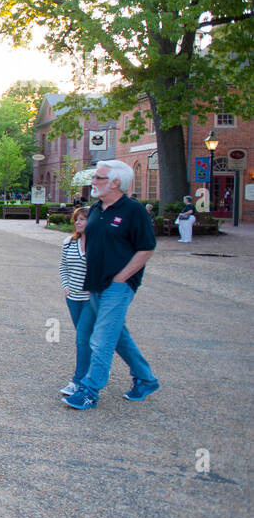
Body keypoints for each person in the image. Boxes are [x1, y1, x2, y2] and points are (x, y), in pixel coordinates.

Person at [62, 160, 160, 410]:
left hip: (118, 286)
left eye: (98, 178)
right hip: (94, 283)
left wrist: (122, 277)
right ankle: (146, 379)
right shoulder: (95, 209)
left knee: (102, 338)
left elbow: (146, 248)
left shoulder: (133, 210)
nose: (93, 182)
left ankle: (89, 390)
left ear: (116, 183)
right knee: (115, 336)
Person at [57, 206, 92, 398]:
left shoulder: (98, 243)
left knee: (82, 339)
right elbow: (63, 266)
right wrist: (66, 286)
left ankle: (78, 381)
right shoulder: (69, 242)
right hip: (73, 297)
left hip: (90, 299)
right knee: (84, 337)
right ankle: (95, 368)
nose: (78, 222)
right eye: (77, 219)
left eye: (83, 219)